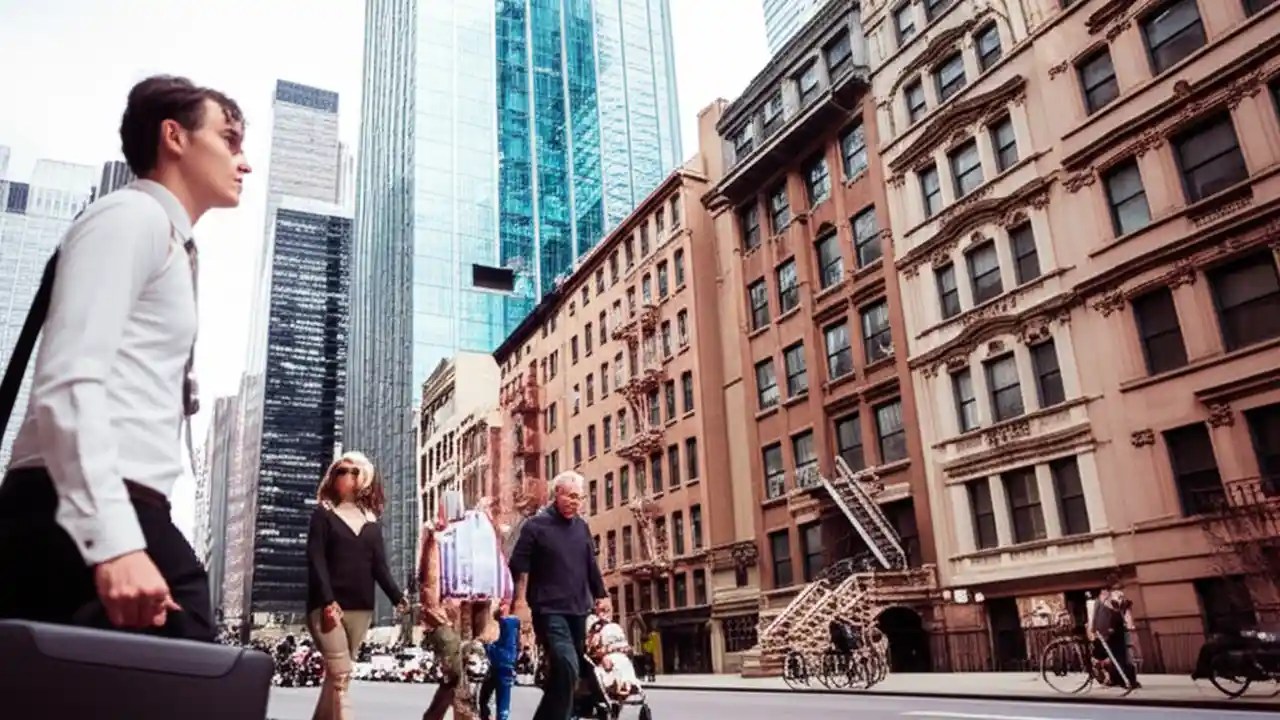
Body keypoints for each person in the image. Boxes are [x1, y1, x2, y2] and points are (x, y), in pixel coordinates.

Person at [0, 75, 251, 639]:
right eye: (229, 139)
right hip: (71, 514)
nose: (244, 162)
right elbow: (68, 379)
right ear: (174, 137)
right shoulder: (129, 217)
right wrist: (111, 543)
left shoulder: (166, 237)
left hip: (125, 508)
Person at [306, 451, 407, 719]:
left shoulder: (372, 522)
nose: (347, 476)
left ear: (365, 476)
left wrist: (398, 598)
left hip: (361, 608)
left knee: (337, 678)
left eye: (353, 471)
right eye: (341, 470)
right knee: (340, 674)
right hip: (327, 607)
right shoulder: (323, 515)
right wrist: (327, 600)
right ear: (332, 476)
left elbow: (380, 568)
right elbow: (316, 560)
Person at [509, 471, 611, 720]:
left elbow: (590, 564)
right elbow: (518, 566)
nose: (576, 502)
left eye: (581, 497)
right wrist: (520, 603)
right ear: (558, 495)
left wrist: (602, 595)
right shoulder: (535, 526)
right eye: (572, 496)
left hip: (579, 609)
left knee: (563, 675)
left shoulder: (582, 527)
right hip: (548, 609)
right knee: (567, 665)